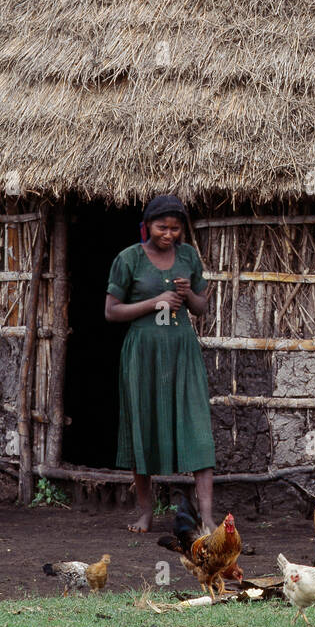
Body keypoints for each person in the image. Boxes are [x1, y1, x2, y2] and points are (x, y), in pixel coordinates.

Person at [105, 195, 216, 533]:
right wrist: (155, 302)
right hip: (144, 352)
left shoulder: (188, 256)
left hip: (182, 349)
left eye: (175, 228)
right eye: (161, 227)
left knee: (198, 429)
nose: (168, 234)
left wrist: (188, 294)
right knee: (143, 426)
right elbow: (111, 311)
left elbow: (200, 308)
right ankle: (145, 513)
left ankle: (208, 518)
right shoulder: (128, 259)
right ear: (147, 226)